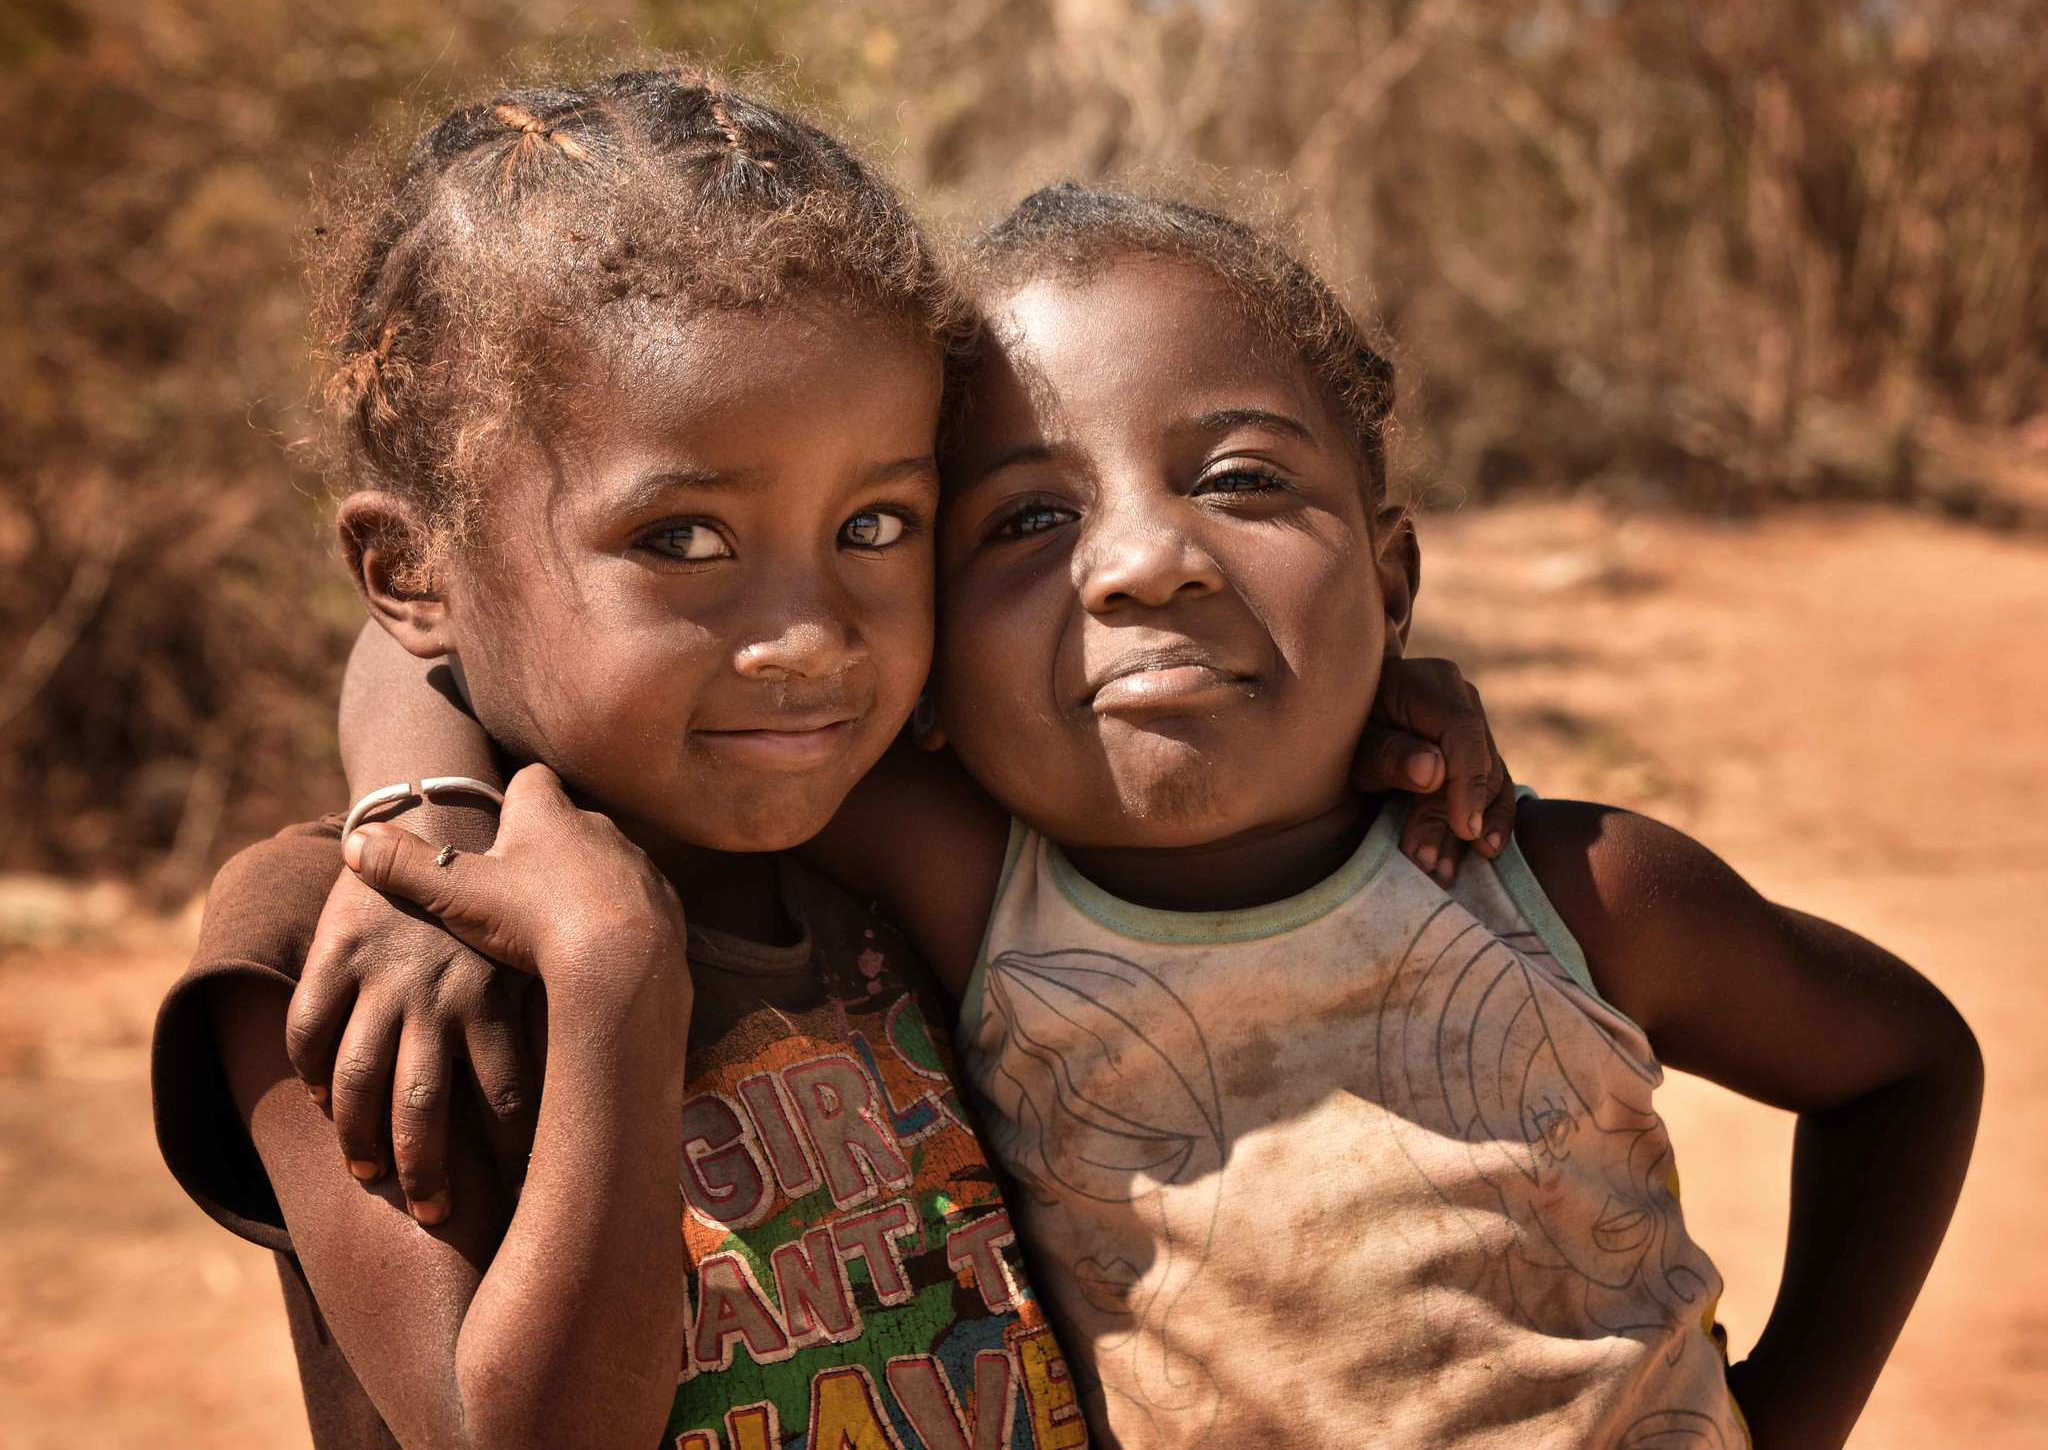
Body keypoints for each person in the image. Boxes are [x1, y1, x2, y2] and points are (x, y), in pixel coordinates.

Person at [321, 184, 1981, 1450]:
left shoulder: (1566, 892)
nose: (1144, 562)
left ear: (1392, 577)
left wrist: (1785, 1418)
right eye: (1027, 519)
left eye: (1245, 482)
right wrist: (419, 824)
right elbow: (483, 626)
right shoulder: (962, 880)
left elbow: (1911, 1066)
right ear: (931, 665)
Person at [150, 77, 1513, 1450]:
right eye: (684, 541)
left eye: (874, 524)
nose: (808, 636)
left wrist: (1376, 699)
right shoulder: (342, 957)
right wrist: (607, 969)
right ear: (407, 568)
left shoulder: (883, 826)